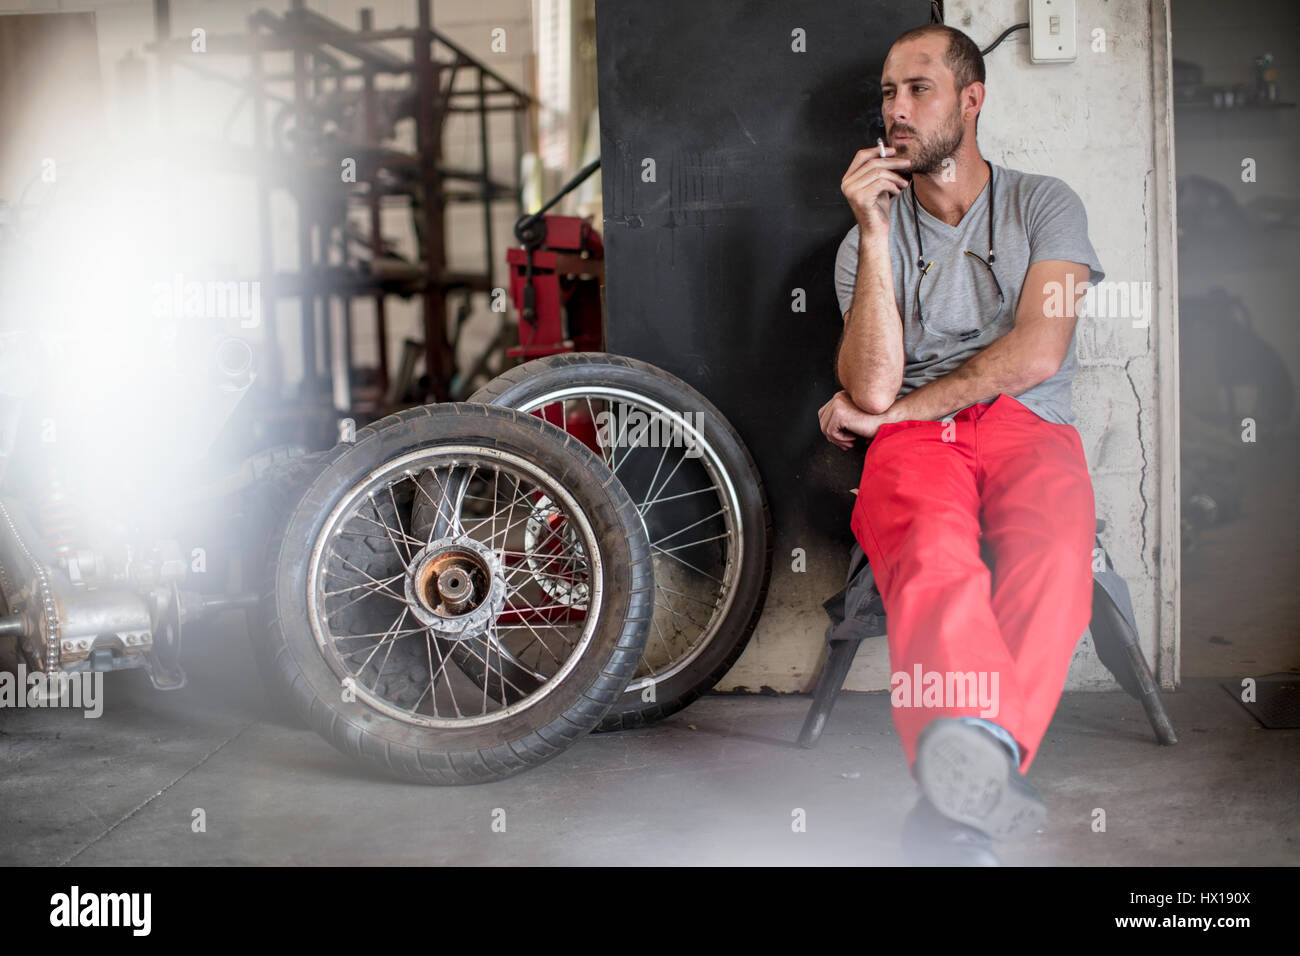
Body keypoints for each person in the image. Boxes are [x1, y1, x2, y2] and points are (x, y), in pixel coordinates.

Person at [819, 22, 1104, 865]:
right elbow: (872, 387)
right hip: (917, 441)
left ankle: (960, 798)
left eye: (918, 89)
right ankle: (971, 796)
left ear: (971, 100)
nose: (895, 111)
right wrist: (873, 232)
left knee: (1056, 558)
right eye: (886, 93)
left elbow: (1038, 353)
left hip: (1028, 420)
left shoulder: (1045, 202)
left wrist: (899, 412)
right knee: (937, 555)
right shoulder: (859, 241)